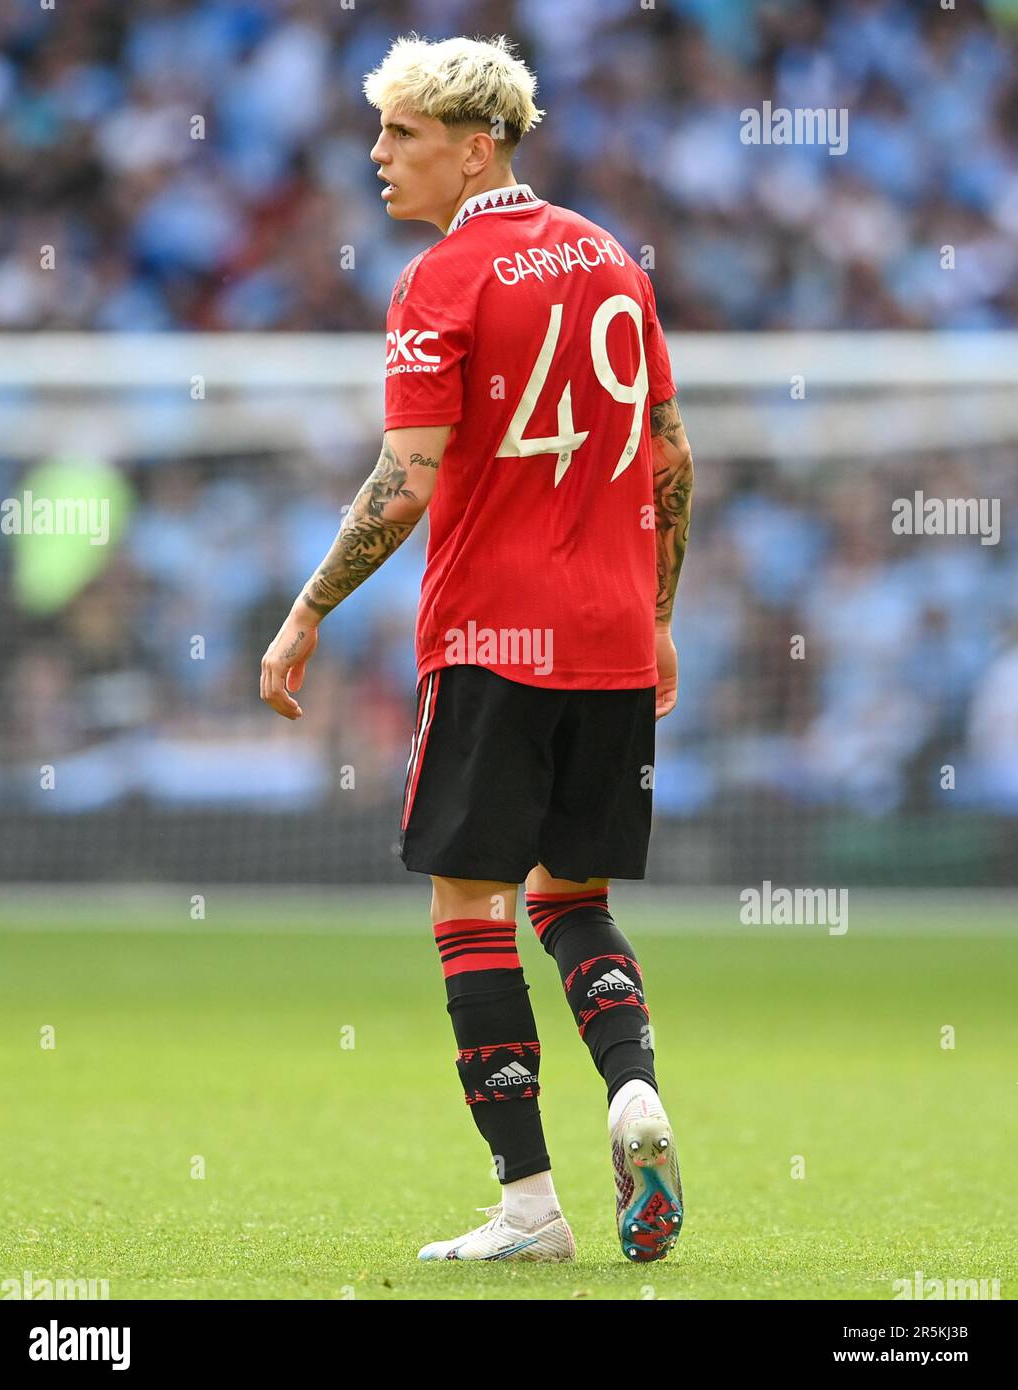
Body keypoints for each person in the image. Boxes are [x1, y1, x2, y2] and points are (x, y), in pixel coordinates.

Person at [260, 33, 693, 1264]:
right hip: (612, 635)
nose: (379, 154)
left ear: (476, 144)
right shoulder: (614, 259)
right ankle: (631, 1087)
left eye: (403, 133)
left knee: (472, 905)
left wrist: (305, 615)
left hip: (492, 637)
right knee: (575, 894)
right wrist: (658, 616)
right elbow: (670, 456)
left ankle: (530, 1208)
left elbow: (404, 483)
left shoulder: (442, 279)